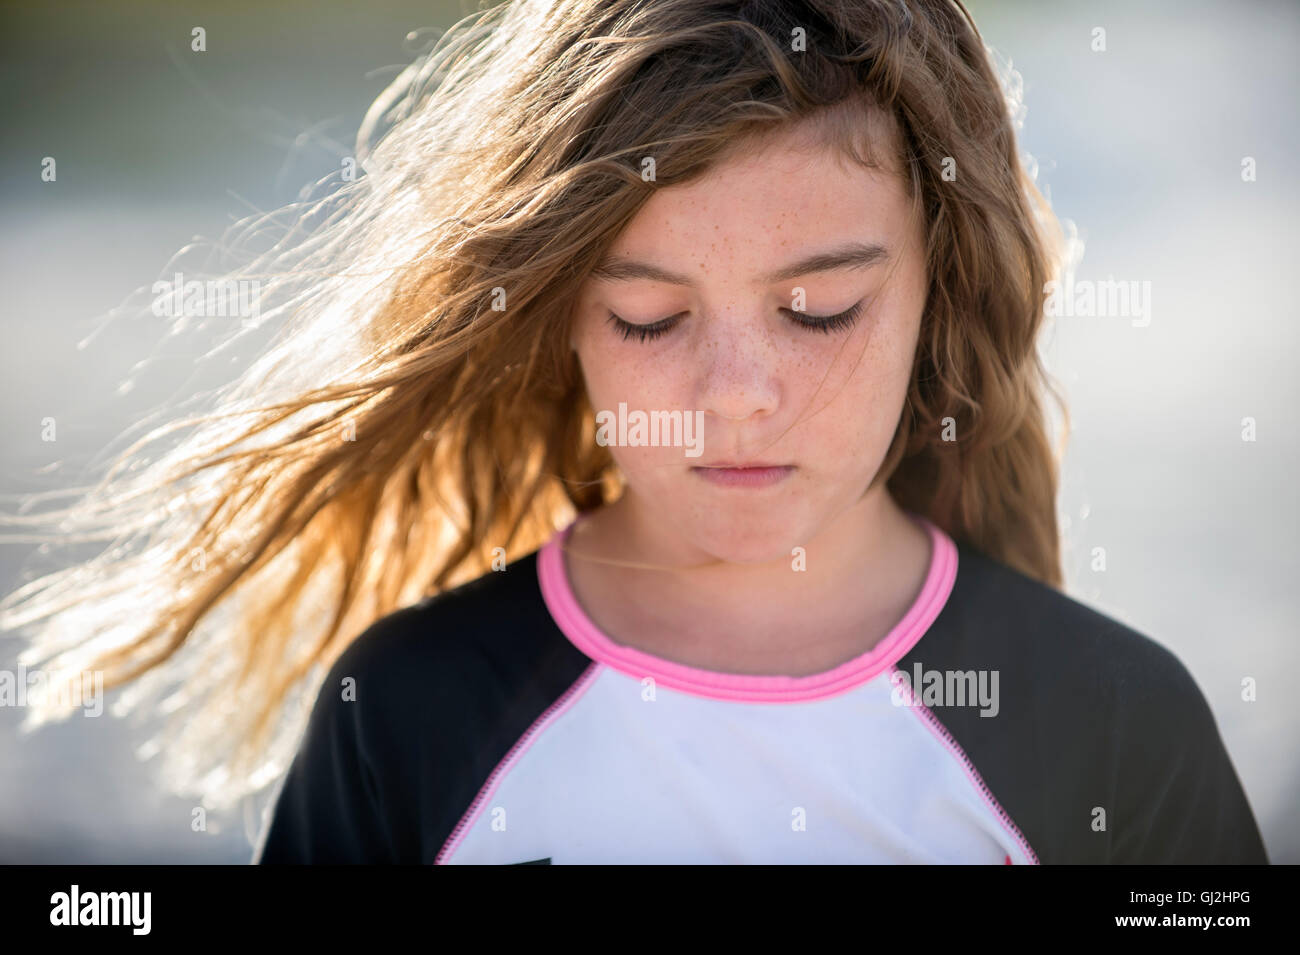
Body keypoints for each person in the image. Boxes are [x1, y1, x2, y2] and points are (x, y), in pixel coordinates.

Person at [4, 0, 1268, 864]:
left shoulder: (1108, 721)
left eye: (819, 310)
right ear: (557, 312)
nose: (732, 393)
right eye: (649, 316)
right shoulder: (410, 715)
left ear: (943, 282)